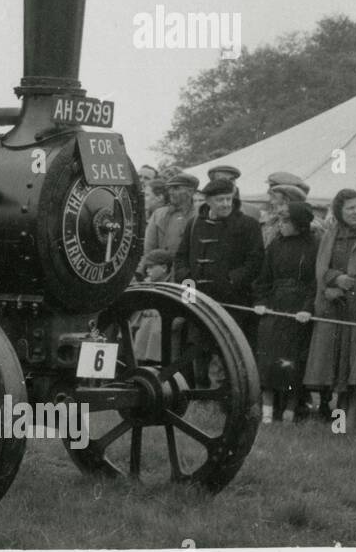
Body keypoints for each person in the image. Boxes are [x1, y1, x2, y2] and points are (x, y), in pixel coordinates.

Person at [174, 178, 265, 387]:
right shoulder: (194, 224)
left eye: (229, 199)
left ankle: (225, 393)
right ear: (208, 201)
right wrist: (188, 280)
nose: (225, 204)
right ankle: (201, 391)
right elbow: (181, 257)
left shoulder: (247, 225)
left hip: (232, 299)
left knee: (227, 349)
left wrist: (231, 280)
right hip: (199, 298)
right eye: (220, 199)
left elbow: (255, 260)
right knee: (198, 345)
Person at [304, 188, 356, 429]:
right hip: (338, 310)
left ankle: (350, 421)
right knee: (340, 370)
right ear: (340, 212)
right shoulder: (332, 235)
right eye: (350, 208)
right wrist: (335, 280)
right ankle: (340, 422)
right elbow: (322, 267)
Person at [252, 202, 318, 423]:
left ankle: (290, 411)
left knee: (293, 362)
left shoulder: (314, 245)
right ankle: (267, 412)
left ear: (299, 224)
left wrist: (307, 309)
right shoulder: (275, 246)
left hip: (299, 310)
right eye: (279, 220)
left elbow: (314, 283)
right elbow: (263, 278)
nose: (280, 225)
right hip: (275, 306)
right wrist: (261, 301)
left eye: (285, 221)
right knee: (269, 360)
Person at [140, 172, 197, 275]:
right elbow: (148, 249)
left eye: (176, 188)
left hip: (189, 276)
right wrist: (143, 272)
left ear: (191, 191)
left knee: (187, 291)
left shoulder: (199, 215)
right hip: (163, 275)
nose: (170, 192)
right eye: (170, 188)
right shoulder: (159, 215)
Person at [132, 248, 174, 362]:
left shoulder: (183, 281)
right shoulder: (148, 283)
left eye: (151, 267)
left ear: (164, 268)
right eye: (147, 268)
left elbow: (187, 308)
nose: (147, 271)